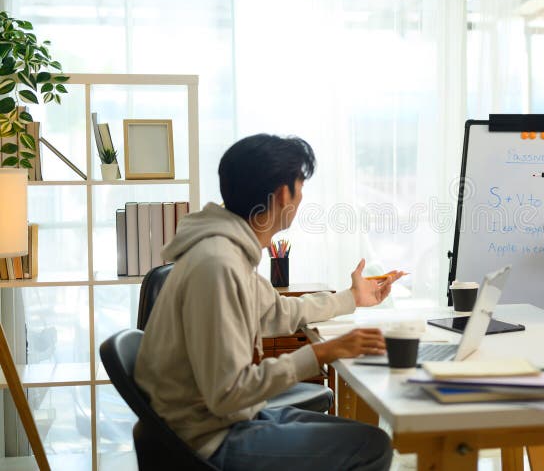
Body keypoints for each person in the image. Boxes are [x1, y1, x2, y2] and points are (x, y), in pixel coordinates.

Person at [135, 133, 401, 471]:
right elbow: (228, 392)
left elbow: (279, 311)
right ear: (282, 195)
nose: (302, 197)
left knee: (367, 437)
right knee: (371, 446)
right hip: (207, 440)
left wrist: (352, 298)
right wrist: (323, 351)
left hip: (224, 420)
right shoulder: (218, 264)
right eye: (300, 188)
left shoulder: (226, 252)